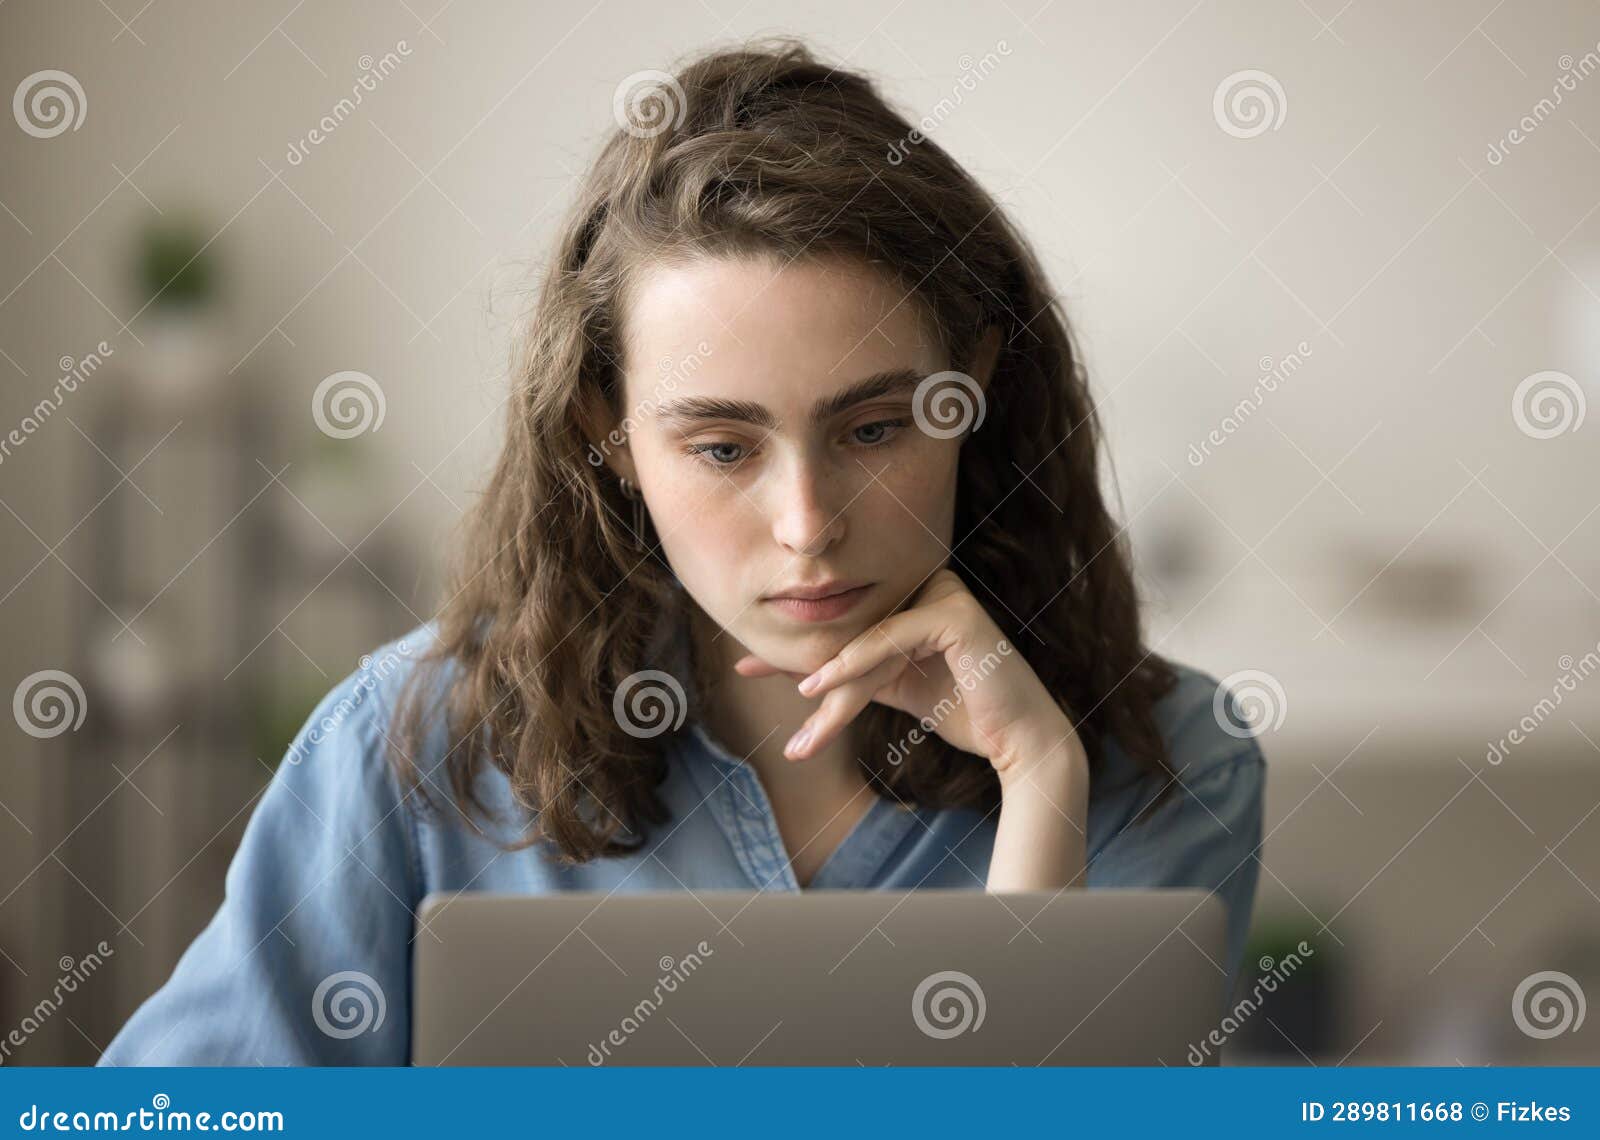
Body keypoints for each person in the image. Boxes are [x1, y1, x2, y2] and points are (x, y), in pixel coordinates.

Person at [99, 37, 1265, 1066]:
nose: (807, 523)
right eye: (720, 447)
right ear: (608, 432)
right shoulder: (407, 755)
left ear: (977, 382)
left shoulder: (1164, 765)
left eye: (873, 428)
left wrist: (1038, 784)